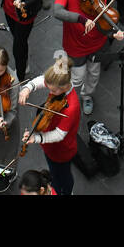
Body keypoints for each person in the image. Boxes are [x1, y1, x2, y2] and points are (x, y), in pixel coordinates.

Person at [52, 0, 124, 114]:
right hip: (75, 46)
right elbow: (57, 12)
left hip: (95, 44)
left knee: (94, 74)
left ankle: (87, 96)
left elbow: (103, 23)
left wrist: (113, 34)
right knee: (78, 77)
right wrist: (81, 19)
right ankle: (69, 97)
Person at [17, 51, 81, 197]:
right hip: (49, 146)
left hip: (61, 150)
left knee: (62, 176)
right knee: (54, 171)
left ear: (64, 87)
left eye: (52, 90)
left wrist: (37, 138)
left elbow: (59, 134)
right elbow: (42, 81)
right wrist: (28, 88)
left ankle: (67, 191)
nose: (49, 90)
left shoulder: (71, 107)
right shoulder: (58, 83)